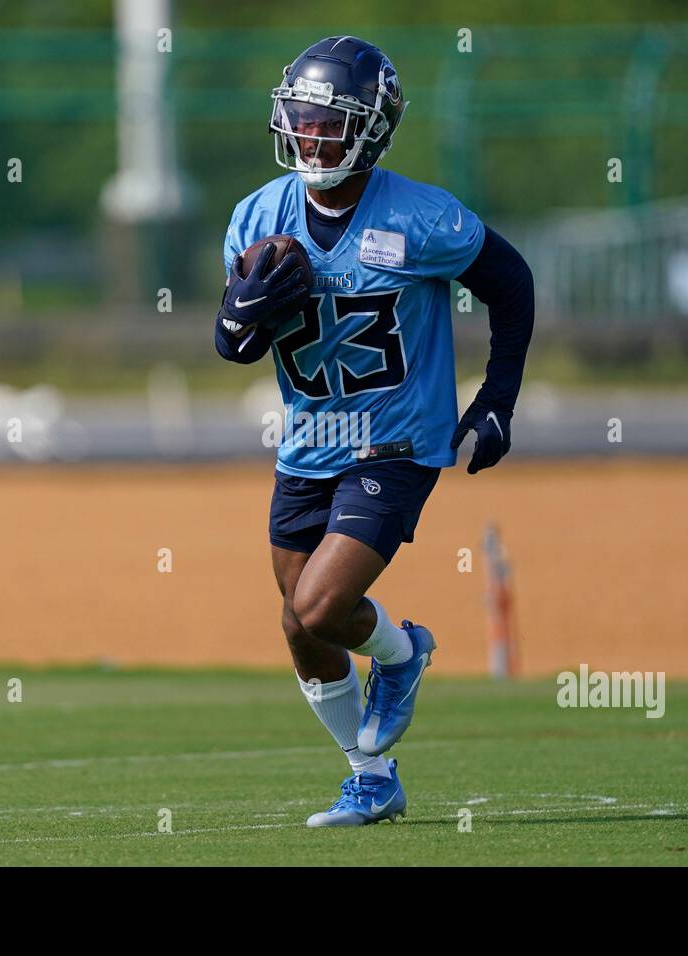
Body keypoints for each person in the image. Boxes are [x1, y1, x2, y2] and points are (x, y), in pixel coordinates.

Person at [213, 35, 535, 826]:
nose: (308, 133)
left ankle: (404, 651)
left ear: (371, 129)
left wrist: (498, 397)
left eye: (328, 121)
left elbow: (510, 281)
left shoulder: (420, 216)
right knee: (299, 626)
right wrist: (237, 317)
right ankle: (371, 775)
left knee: (322, 607)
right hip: (308, 446)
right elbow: (237, 345)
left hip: (395, 444)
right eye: (299, 116)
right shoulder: (258, 214)